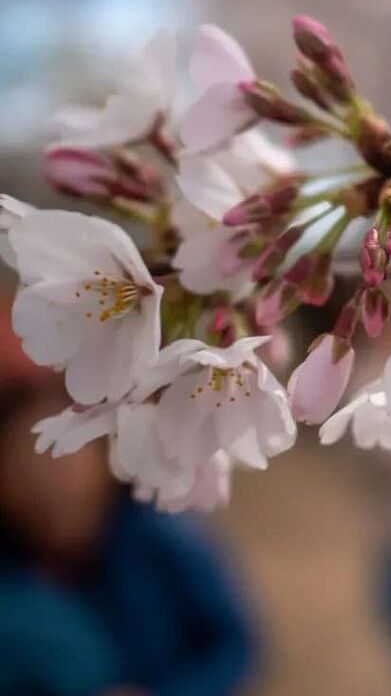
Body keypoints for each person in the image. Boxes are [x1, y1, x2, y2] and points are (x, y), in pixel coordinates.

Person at [0, 298, 256, 696]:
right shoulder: (15, 583)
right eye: (22, 469)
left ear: (107, 460)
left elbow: (236, 645)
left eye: (63, 463)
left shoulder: (160, 536)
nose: (48, 488)